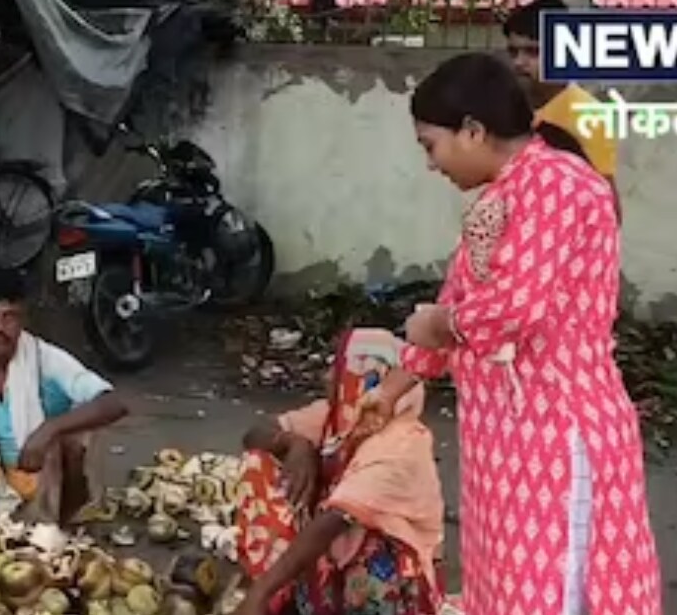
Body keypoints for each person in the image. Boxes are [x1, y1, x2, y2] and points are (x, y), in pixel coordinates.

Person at [358, 53, 661, 615]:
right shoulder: (506, 193)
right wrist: (391, 390)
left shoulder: (558, 184)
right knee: (508, 585)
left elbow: (512, 308)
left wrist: (439, 325)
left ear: (473, 131)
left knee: (555, 588)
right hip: (505, 436)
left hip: (556, 430)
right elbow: (459, 298)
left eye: (430, 145)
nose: (430, 164)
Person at [232, 328, 445, 615]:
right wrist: (294, 444)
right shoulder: (339, 420)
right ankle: (289, 600)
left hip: (388, 586)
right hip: (337, 561)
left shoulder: (403, 442)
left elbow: (335, 520)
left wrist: (261, 591)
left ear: (365, 378)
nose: (328, 377)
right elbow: (255, 434)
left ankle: (276, 597)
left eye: (339, 367)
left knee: (354, 533)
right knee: (260, 463)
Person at [0, 268, 128, 523]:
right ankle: (6, 512)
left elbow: (113, 403)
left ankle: (56, 519)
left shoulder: (46, 360)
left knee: (65, 441)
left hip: (48, 474)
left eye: (9, 317)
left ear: (23, 320)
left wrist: (49, 429)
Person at [503, 0, 622, 220]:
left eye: (533, 52)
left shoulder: (588, 114)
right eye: (513, 52)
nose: (519, 62)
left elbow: (606, 203)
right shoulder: (505, 105)